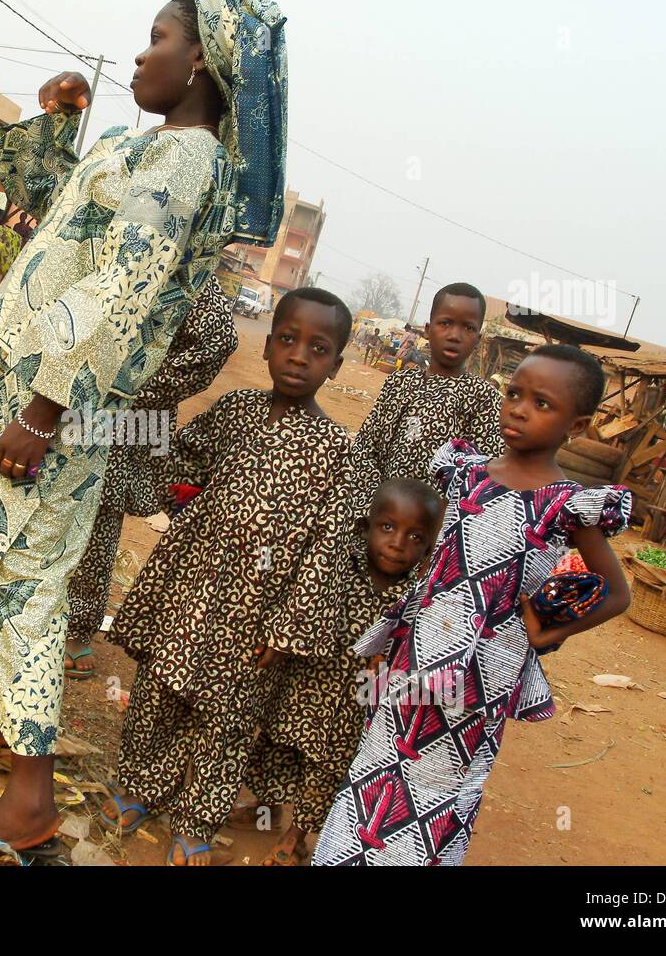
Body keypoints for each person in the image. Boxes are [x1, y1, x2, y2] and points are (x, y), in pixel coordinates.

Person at [0, 0, 289, 856]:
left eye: (158, 39)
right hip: (31, 381)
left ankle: (29, 803)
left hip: (61, 399)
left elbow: (116, 292)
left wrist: (44, 411)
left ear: (202, 62)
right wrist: (57, 121)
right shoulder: (144, 147)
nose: (138, 55)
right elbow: (54, 213)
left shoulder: (189, 160)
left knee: (27, 585)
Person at [314, 344, 632, 865]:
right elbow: (435, 565)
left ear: (577, 426)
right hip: (415, 654)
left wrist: (550, 631)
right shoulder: (463, 470)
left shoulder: (568, 503)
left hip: (483, 681)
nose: (519, 409)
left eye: (542, 404)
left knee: (442, 795)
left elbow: (616, 593)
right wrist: (390, 636)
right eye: (514, 393)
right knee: (377, 770)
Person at [100, 288, 351, 866]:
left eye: (318, 348)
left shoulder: (338, 450)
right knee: (162, 686)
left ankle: (196, 818)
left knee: (229, 717)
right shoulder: (236, 409)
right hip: (195, 579)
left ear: (335, 365)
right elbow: (184, 457)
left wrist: (288, 628)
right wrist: (153, 470)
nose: (298, 356)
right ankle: (142, 783)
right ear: (268, 346)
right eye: (287, 340)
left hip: (262, 608)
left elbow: (330, 546)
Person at [246, 477, 444, 865]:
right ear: (366, 525)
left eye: (414, 537)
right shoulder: (338, 565)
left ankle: (296, 836)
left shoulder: (420, 595)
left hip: (354, 707)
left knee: (326, 769)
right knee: (277, 746)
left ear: (427, 548)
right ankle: (264, 810)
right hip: (305, 685)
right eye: (388, 528)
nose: (397, 543)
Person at [63, 274, 237, 678]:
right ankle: (37, 608)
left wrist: (143, 387)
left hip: (135, 413)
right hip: (86, 396)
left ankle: (76, 628)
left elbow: (218, 341)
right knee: (59, 491)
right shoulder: (117, 242)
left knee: (102, 512)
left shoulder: (188, 266)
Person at [352, 283, 503, 509]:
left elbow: (482, 479)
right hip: (377, 515)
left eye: (468, 328)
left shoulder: (485, 398)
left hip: (433, 530)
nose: (455, 335)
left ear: (478, 339)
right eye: (445, 323)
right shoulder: (399, 382)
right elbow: (365, 449)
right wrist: (375, 506)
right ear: (427, 329)